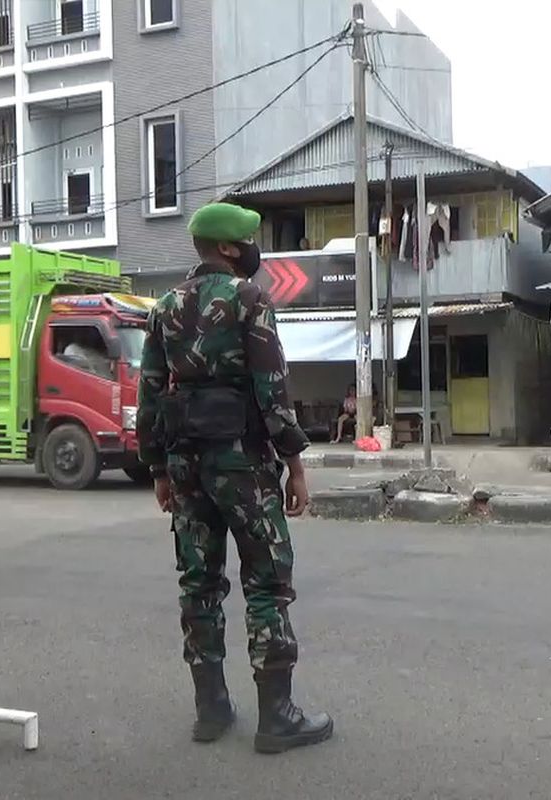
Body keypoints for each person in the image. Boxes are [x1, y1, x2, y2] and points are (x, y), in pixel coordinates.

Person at [137, 201, 332, 754]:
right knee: (267, 583)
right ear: (228, 247)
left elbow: (150, 393)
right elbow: (272, 388)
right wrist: (294, 464)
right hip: (243, 463)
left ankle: (211, 710)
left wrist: (156, 467)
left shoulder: (165, 307)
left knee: (198, 583)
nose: (255, 248)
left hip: (185, 463)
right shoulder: (250, 300)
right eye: (249, 239)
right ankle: (278, 717)